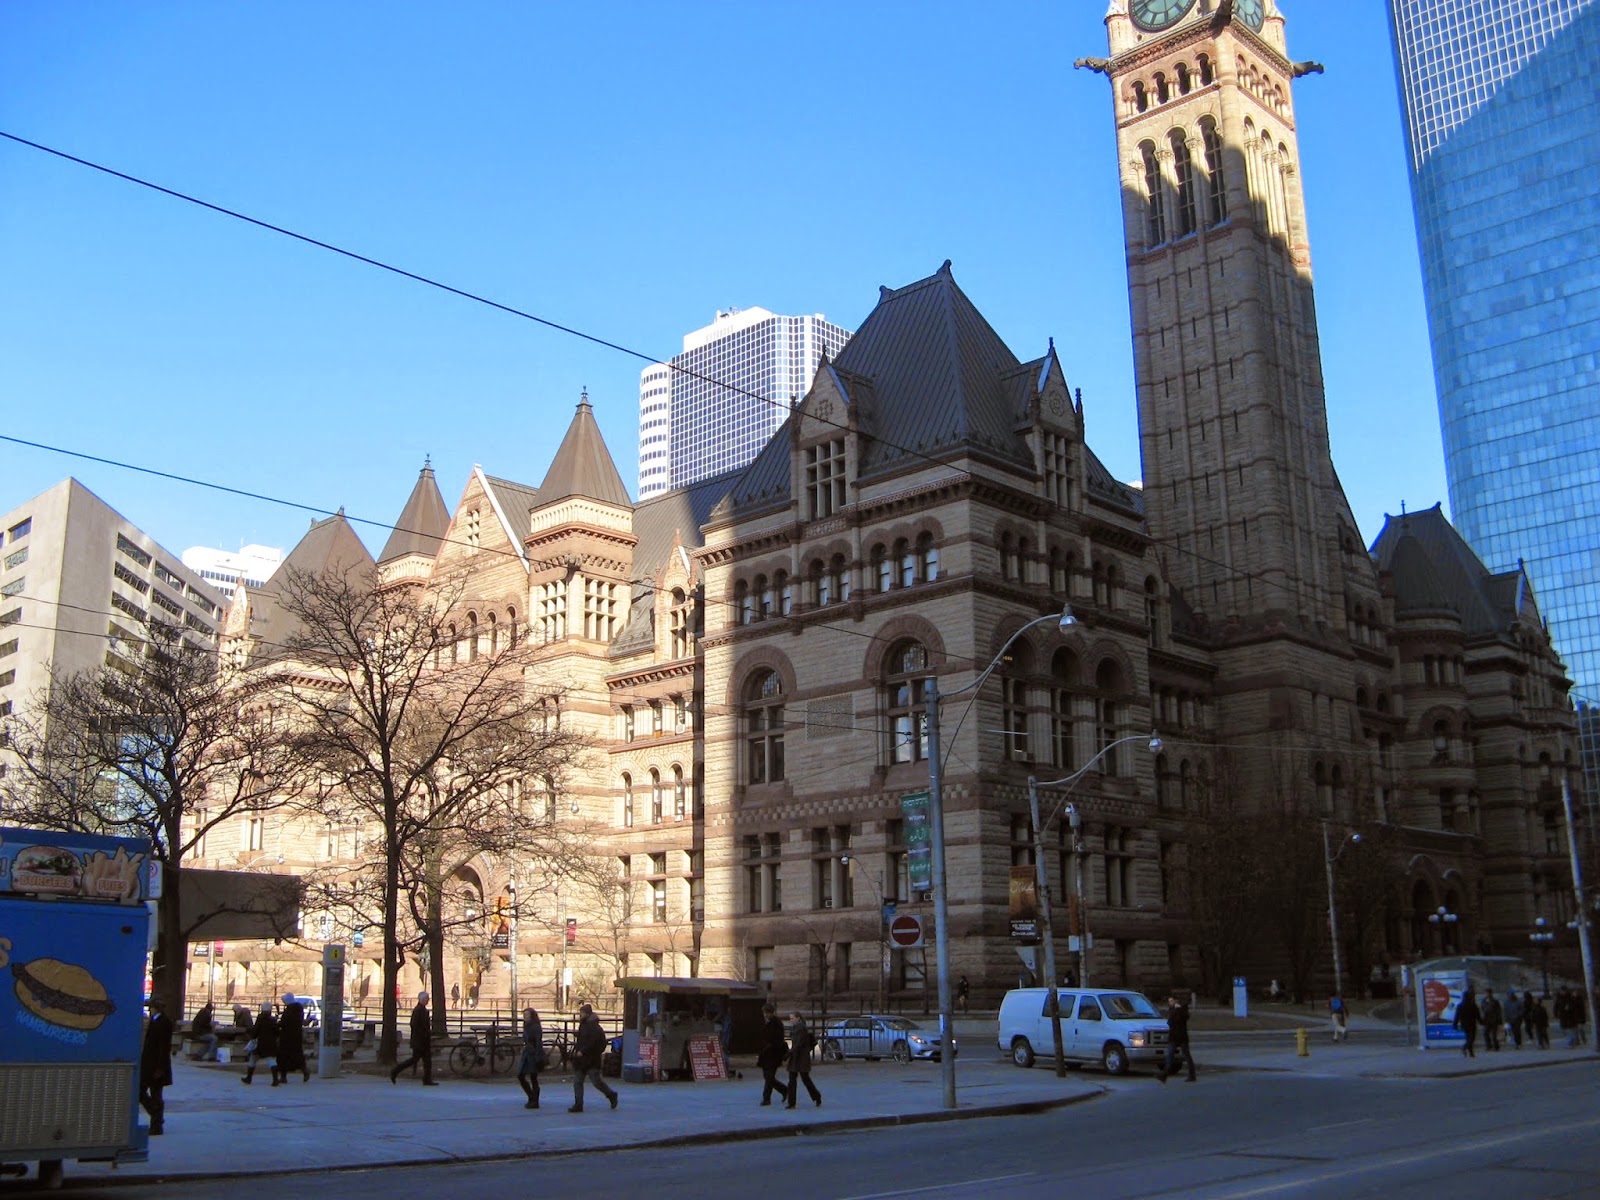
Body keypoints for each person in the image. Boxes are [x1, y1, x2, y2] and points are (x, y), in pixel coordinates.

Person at [568, 1003, 617, 1112]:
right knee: (578, 1081)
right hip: (582, 1060)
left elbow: (593, 1043)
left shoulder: (595, 1028)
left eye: (582, 1013)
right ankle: (578, 1104)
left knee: (596, 1081)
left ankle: (611, 1094)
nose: (580, 1015)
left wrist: (583, 1051)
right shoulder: (584, 1025)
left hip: (591, 1059)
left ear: (587, 1014)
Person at [139, 998, 174, 1135]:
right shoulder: (154, 1021)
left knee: (155, 1096)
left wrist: (160, 1068)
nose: (149, 1010)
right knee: (141, 1092)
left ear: (156, 1008)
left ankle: (156, 1125)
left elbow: (164, 1048)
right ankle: (156, 1115)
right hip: (148, 1065)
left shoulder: (164, 1023)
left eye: (151, 1007)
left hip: (157, 1066)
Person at [391, 991, 437, 1085]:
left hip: (423, 1040)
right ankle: (395, 1071)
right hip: (420, 1041)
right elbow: (414, 1024)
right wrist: (423, 1034)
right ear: (422, 1000)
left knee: (426, 1061)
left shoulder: (422, 1010)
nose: (428, 1000)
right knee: (415, 1060)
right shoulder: (418, 1010)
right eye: (427, 999)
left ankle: (427, 1079)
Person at [784, 1012, 822, 1109]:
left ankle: (816, 1096)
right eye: (790, 1018)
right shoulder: (796, 1028)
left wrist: (788, 1053)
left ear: (798, 1018)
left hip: (801, 1057)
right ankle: (792, 1102)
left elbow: (798, 1044)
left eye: (792, 1018)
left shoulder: (801, 1029)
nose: (790, 1020)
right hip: (797, 1057)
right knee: (794, 1080)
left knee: (804, 1079)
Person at [1156, 993, 1196, 1083]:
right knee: (1170, 1055)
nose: (1170, 1003)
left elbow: (1183, 1018)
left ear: (1176, 1001)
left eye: (1171, 1001)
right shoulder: (1172, 1010)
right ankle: (1164, 1074)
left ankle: (1192, 1074)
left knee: (1186, 1055)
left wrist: (1178, 1009)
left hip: (1181, 1036)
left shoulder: (1181, 1009)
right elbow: (1170, 1022)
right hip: (1173, 1036)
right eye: (1169, 1001)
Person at [756, 1003, 789, 1106]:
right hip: (765, 1055)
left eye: (767, 1013)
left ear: (772, 1013)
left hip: (773, 1055)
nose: (765, 1015)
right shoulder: (766, 1022)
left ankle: (770, 1096)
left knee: (769, 1077)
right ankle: (773, 1095)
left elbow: (778, 1040)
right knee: (767, 1077)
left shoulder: (777, 1023)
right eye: (764, 1013)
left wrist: (769, 1046)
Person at [242, 1000, 279, 1084]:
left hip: (260, 1043)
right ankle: (275, 1079)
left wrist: (252, 1037)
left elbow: (255, 1030)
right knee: (271, 1060)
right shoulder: (273, 1020)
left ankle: (249, 1078)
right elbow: (277, 1032)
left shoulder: (260, 1018)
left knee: (253, 1059)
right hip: (271, 1043)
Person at [277, 993, 311, 1083]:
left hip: (286, 1036)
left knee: (283, 1057)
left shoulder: (289, 1010)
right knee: (297, 1055)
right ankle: (304, 1070)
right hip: (296, 1036)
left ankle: (283, 1076)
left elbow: (284, 1023)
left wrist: (278, 1023)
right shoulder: (298, 1009)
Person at [516, 1006, 544, 1109]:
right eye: (524, 1015)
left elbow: (538, 1042)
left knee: (533, 1077)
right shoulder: (526, 1026)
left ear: (532, 1016)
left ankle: (534, 1100)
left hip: (533, 1053)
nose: (525, 1017)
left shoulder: (535, 1027)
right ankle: (532, 1097)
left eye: (527, 1015)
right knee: (521, 1075)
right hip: (527, 1053)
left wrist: (538, 1056)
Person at [1452, 986, 1480, 1058]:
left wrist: (1455, 1025)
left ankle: (1471, 1052)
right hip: (1472, 1023)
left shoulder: (1460, 1006)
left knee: (1468, 1037)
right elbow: (1477, 1015)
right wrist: (1481, 1021)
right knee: (1472, 1038)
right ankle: (1466, 1047)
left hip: (1464, 1024)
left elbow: (1457, 1016)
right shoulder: (1473, 1005)